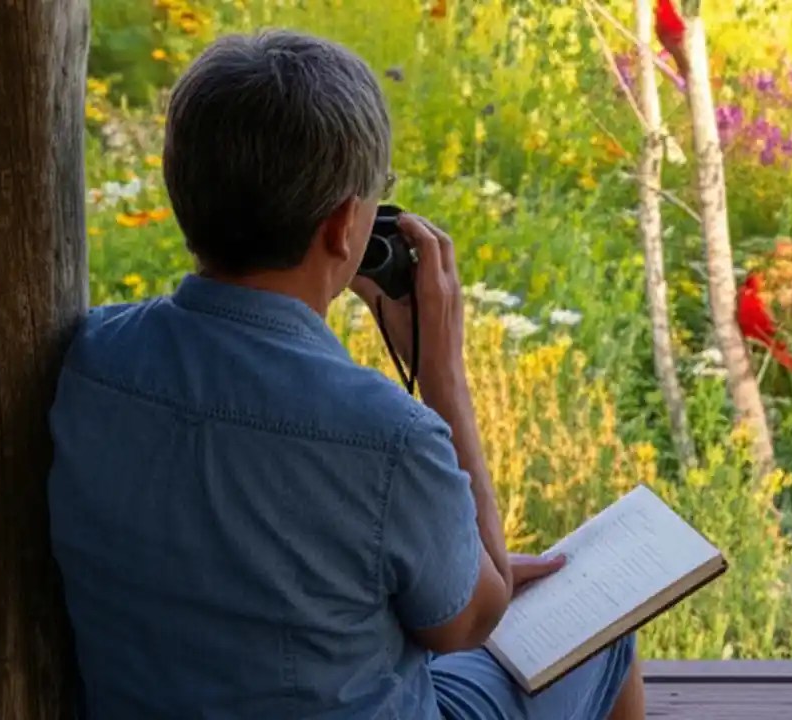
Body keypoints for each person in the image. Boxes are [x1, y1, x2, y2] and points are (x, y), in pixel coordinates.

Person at [47, 29, 645, 720]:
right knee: (606, 637)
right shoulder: (390, 437)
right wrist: (442, 376)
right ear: (343, 226)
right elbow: (471, 622)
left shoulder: (90, 359)